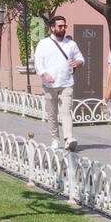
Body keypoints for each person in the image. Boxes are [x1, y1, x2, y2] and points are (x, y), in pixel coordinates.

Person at [33, 14, 84, 149]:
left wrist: (77, 63)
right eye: (60, 26)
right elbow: (38, 62)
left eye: (64, 26)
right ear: (52, 27)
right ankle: (55, 138)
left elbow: (81, 59)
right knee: (52, 113)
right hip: (49, 85)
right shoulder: (43, 44)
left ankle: (68, 138)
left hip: (66, 83)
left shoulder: (71, 44)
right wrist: (44, 74)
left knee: (66, 111)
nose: (63, 28)